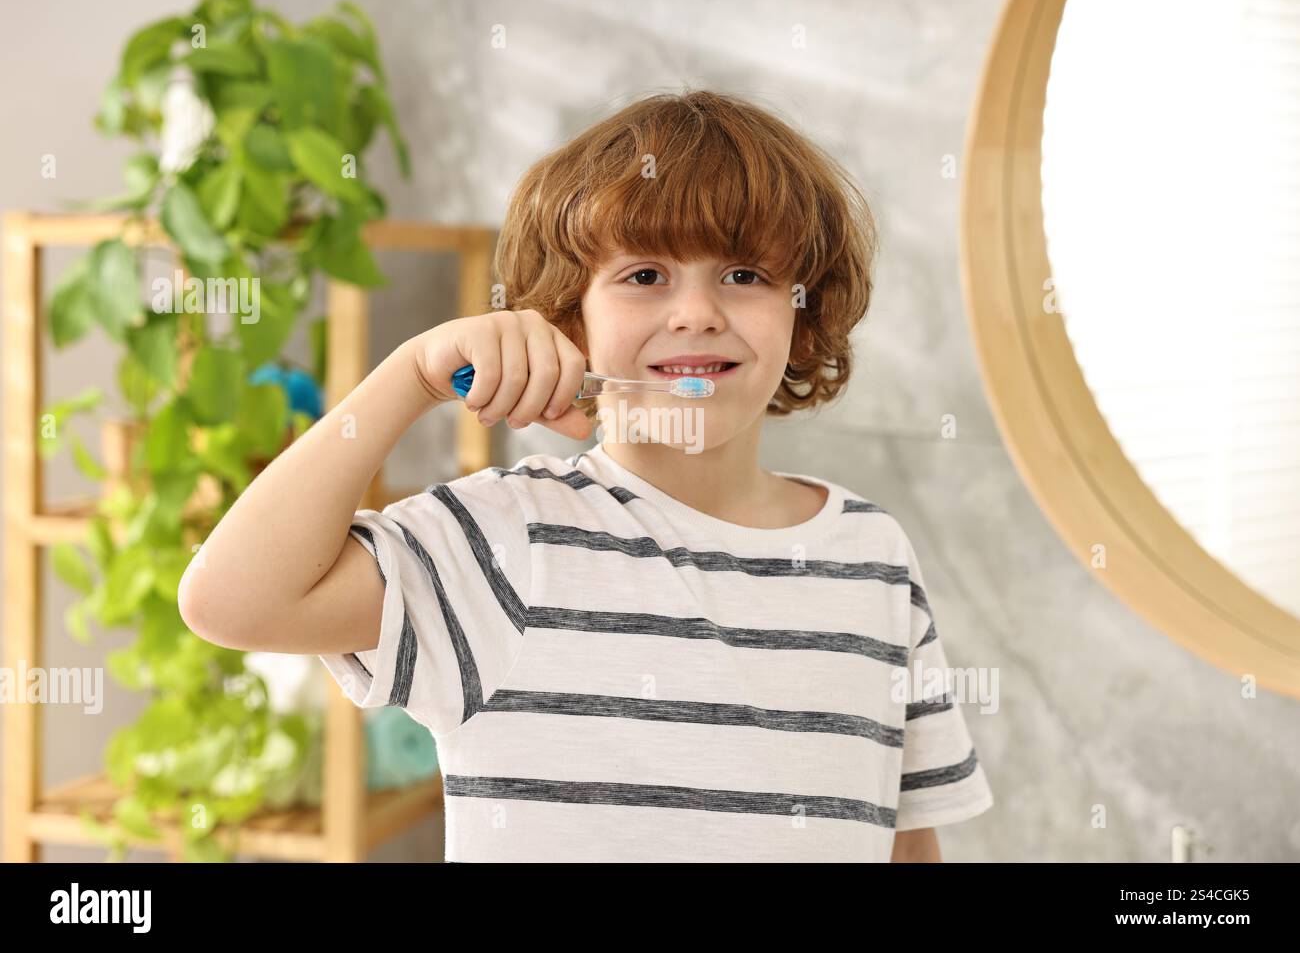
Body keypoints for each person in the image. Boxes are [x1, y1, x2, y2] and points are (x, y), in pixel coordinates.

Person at [179, 88, 993, 862]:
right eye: (645, 275)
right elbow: (231, 599)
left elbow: (906, 838)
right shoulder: (506, 542)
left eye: (745, 275)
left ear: (803, 316)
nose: (698, 312)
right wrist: (412, 375)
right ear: (568, 317)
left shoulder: (872, 556)